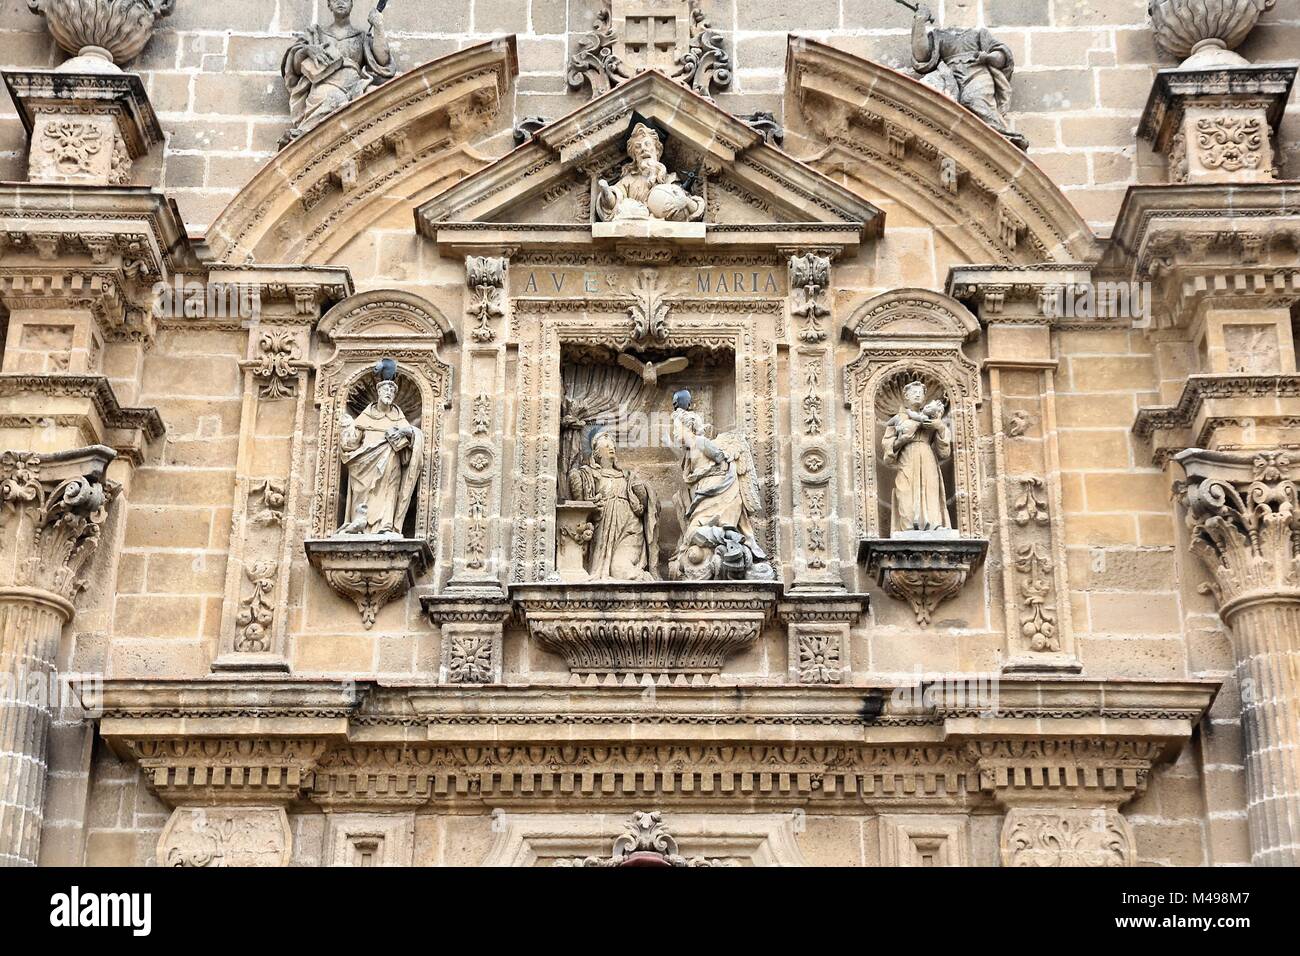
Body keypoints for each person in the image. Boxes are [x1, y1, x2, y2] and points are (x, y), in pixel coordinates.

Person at [280, 0, 395, 148]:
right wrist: (308, 50)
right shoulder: (317, 34)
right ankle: (304, 135)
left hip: (356, 87)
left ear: (352, 4)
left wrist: (378, 26)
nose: (340, 1)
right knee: (335, 97)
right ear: (329, 5)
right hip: (325, 86)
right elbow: (294, 66)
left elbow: (383, 61)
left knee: (375, 97)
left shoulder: (361, 37)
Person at [338, 359, 423, 536]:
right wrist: (346, 427)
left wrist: (407, 431)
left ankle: (386, 525)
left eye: (392, 391)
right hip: (365, 464)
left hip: (392, 463)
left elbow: (411, 435)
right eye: (386, 390)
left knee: (390, 491)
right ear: (378, 392)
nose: (389, 394)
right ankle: (360, 522)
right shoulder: (366, 415)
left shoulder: (398, 416)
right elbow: (352, 443)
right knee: (363, 490)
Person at [567, 431, 658, 581]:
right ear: (597, 452)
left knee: (621, 569)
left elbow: (644, 503)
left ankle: (644, 578)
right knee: (617, 571)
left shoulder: (627, 476)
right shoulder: (589, 474)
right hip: (603, 527)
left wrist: (640, 487)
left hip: (630, 528)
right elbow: (578, 493)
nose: (612, 448)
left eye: (613, 445)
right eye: (607, 445)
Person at [596, 123, 706, 222]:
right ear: (634, 156)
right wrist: (606, 192)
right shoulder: (629, 181)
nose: (643, 149)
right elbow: (613, 201)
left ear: (657, 151)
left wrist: (686, 201)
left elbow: (694, 210)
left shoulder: (671, 180)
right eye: (638, 147)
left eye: (647, 144)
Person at [882, 381, 952, 535]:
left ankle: (934, 525)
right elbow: (887, 450)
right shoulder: (898, 419)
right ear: (905, 396)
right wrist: (902, 440)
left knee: (930, 490)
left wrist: (939, 427)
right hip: (907, 459)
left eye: (920, 393)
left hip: (927, 457)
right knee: (905, 492)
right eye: (914, 393)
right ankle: (907, 528)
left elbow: (944, 452)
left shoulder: (932, 417)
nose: (918, 395)